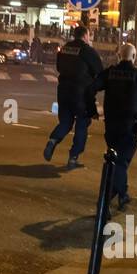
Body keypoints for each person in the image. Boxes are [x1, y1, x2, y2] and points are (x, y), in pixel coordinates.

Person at [86, 42, 137, 210]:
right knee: (120, 163)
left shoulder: (109, 73)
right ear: (134, 57)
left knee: (118, 161)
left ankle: (123, 194)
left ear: (119, 56)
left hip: (111, 126)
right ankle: (104, 202)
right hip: (129, 126)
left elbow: (90, 89)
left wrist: (93, 110)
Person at [44, 24, 103, 169]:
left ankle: (53, 140)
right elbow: (99, 71)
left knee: (65, 121)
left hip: (63, 90)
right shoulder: (88, 51)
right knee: (82, 123)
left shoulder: (64, 48)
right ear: (85, 35)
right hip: (81, 93)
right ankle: (73, 157)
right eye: (89, 35)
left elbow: (58, 67)